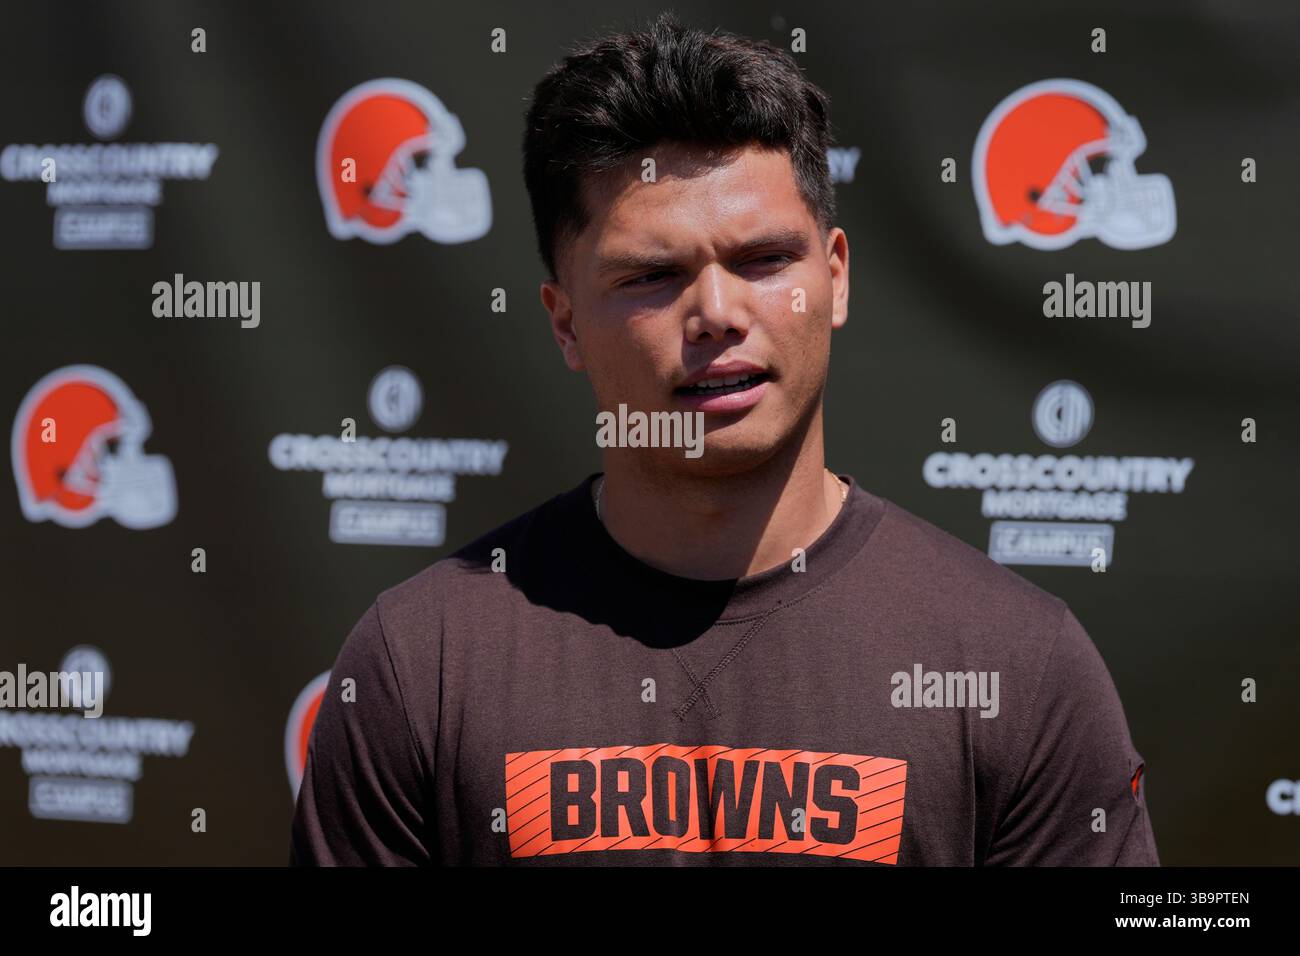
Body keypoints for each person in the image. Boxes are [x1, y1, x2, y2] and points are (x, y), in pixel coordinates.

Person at [290, 12, 1159, 866]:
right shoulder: (422, 662)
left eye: (763, 260)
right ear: (564, 323)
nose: (717, 313)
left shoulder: (1018, 662)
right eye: (653, 275)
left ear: (836, 277)